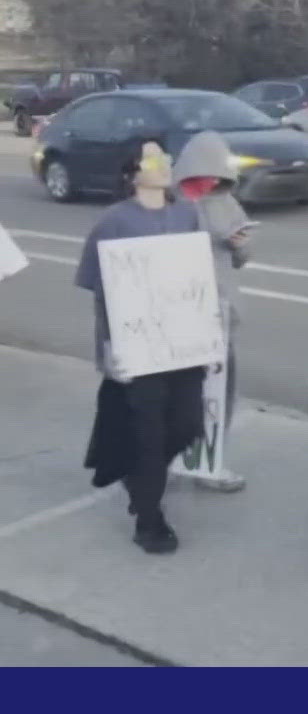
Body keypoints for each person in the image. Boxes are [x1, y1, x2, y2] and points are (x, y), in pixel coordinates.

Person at [75, 143, 208, 554]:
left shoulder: (187, 212)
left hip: (184, 345)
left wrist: (209, 333)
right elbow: (101, 291)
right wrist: (110, 350)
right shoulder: (113, 222)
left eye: (166, 157)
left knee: (185, 426)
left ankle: (139, 474)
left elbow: (197, 279)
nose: (165, 164)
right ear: (134, 173)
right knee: (148, 435)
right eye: (154, 159)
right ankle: (149, 519)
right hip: (138, 349)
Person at [167, 130, 248, 493]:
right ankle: (170, 456)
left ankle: (209, 462)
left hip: (221, 310)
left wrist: (239, 243)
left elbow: (243, 256)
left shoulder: (228, 201)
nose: (213, 181)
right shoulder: (172, 203)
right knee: (177, 391)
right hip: (182, 310)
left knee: (220, 391)